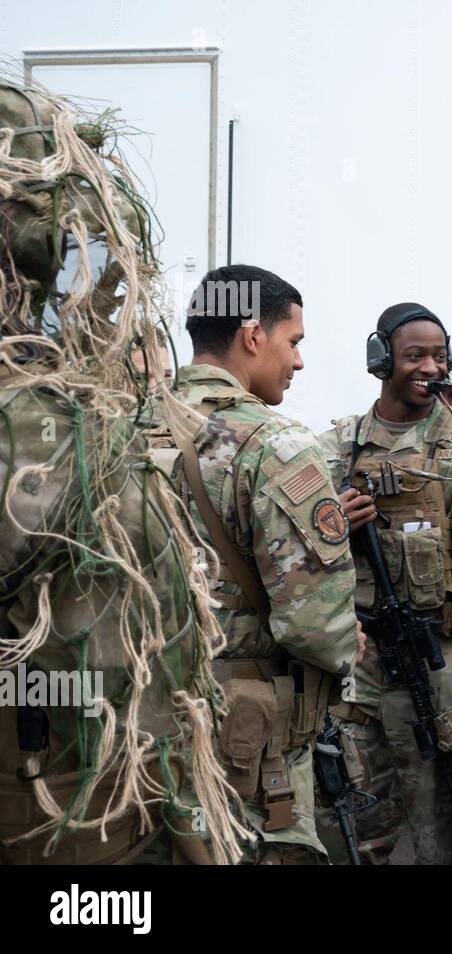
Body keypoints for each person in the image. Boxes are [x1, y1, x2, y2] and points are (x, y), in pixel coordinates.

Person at [0, 77, 242, 866]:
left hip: (101, 802)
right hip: (67, 821)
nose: (101, 285)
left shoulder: (65, 418)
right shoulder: (35, 429)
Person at [157, 264, 361, 864]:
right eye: (293, 342)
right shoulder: (275, 446)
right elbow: (314, 626)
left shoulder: (120, 429)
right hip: (242, 745)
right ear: (253, 336)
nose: (297, 362)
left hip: (135, 725)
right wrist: (351, 645)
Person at [317, 302, 452, 864]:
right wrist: (332, 525)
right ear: (381, 358)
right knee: (353, 816)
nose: (431, 367)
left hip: (443, 666)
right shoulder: (334, 448)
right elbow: (292, 559)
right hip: (357, 666)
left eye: (440, 356)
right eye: (414, 355)